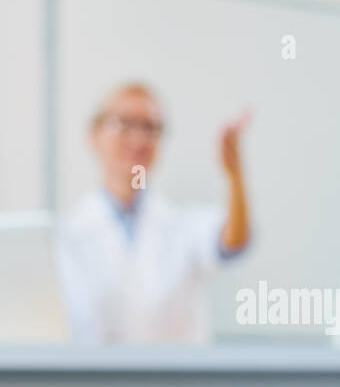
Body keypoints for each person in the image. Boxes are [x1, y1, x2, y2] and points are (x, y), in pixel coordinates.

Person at [54, 83, 251, 343]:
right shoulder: (65, 236)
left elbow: (233, 240)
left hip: (177, 382)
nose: (138, 140)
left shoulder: (181, 227)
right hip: (94, 383)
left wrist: (234, 175)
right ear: (93, 135)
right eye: (124, 124)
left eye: (149, 128)